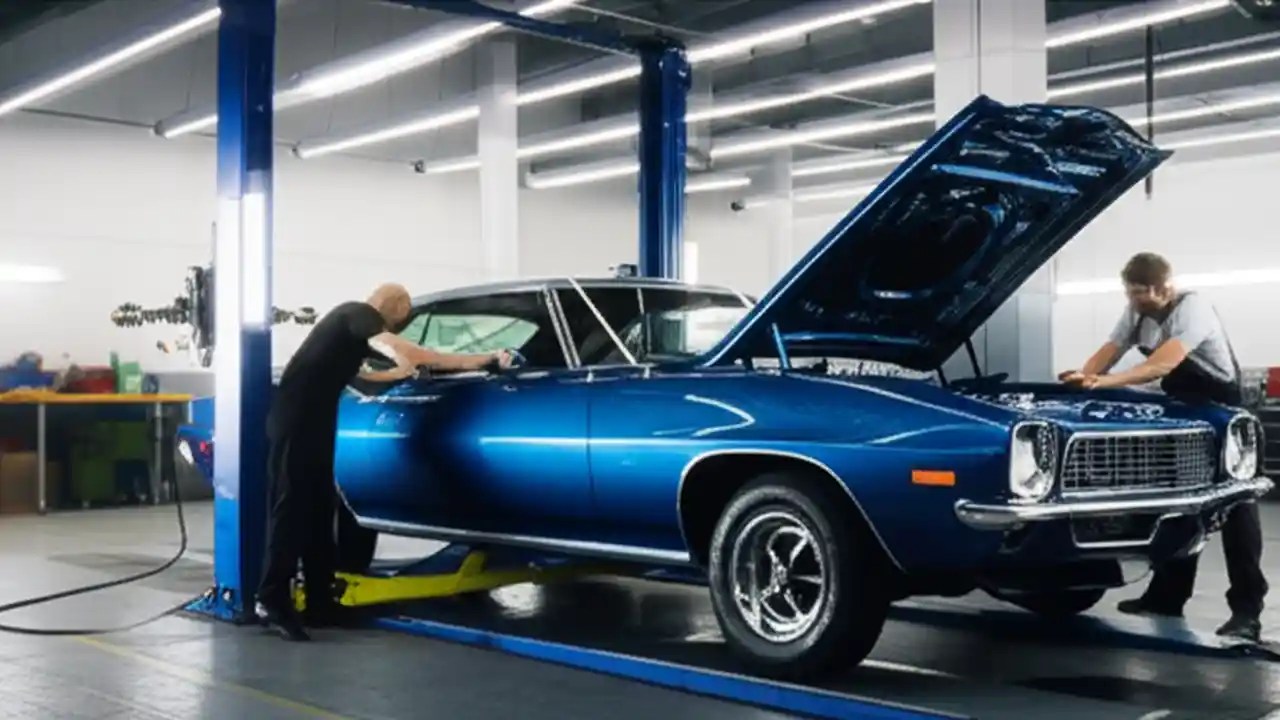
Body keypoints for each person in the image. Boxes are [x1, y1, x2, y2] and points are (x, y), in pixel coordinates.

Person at [255, 283, 512, 641]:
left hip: (313, 421)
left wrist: (401, 374)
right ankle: (271, 599)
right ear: (397, 307)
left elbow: (365, 382)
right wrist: (481, 359)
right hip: (298, 421)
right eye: (402, 321)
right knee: (293, 505)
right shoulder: (358, 314)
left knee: (318, 508)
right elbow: (413, 353)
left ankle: (318, 602)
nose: (398, 329)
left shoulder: (347, 334)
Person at [1059, 252, 1266, 641]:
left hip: (1222, 410)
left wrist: (1101, 384)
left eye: (1142, 292)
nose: (1135, 298)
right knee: (1177, 503)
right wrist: (1082, 377)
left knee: (1237, 509)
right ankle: (1167, 597)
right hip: (1182, 410)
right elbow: (1111, 348)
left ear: (1165, 287)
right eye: (1130, 291)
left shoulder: (1193, 309)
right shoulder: (1135, 312)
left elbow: (1161, 365)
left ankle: (1247, 611)